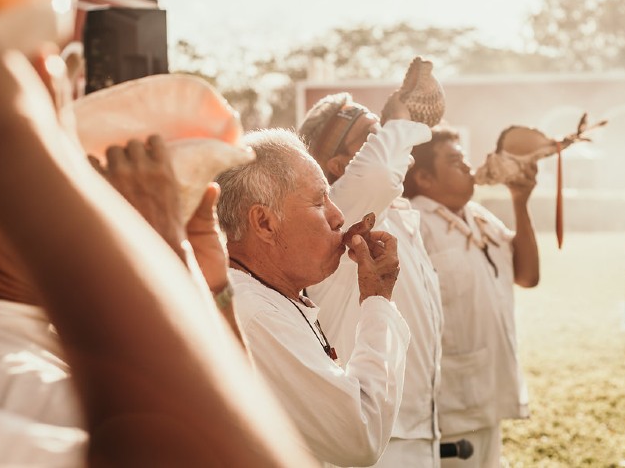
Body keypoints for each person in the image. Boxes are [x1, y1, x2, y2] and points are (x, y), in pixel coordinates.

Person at [0, 9, 312, 466]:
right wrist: (163, 251)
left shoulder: (11, 347)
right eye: (4, 182)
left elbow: (240, 412)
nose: (50, 199)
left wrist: (211, 288)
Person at [216, 128, 411, 467]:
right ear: (263, 222)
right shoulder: (255, 313)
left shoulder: (263, 297)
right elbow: (359, 437)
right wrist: (377, 300)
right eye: (319, 202)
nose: (338, 217)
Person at [298, 92, 444, 468]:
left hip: (415, 426)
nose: (384, 136)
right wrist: (398, 117)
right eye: (371, 133)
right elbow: (379, 173)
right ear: (338, 165)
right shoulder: (339, 213)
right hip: (377, 439)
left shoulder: (394, 216)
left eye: (383, 130)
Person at [404, 127, 540, 468]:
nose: (467, 166)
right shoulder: (413, 225)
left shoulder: (480, 217)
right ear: (423, 177)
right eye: (454, 161)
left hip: (490, 389)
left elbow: (528, 275)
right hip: (448, 402)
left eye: (465, 158)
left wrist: (520, 203)